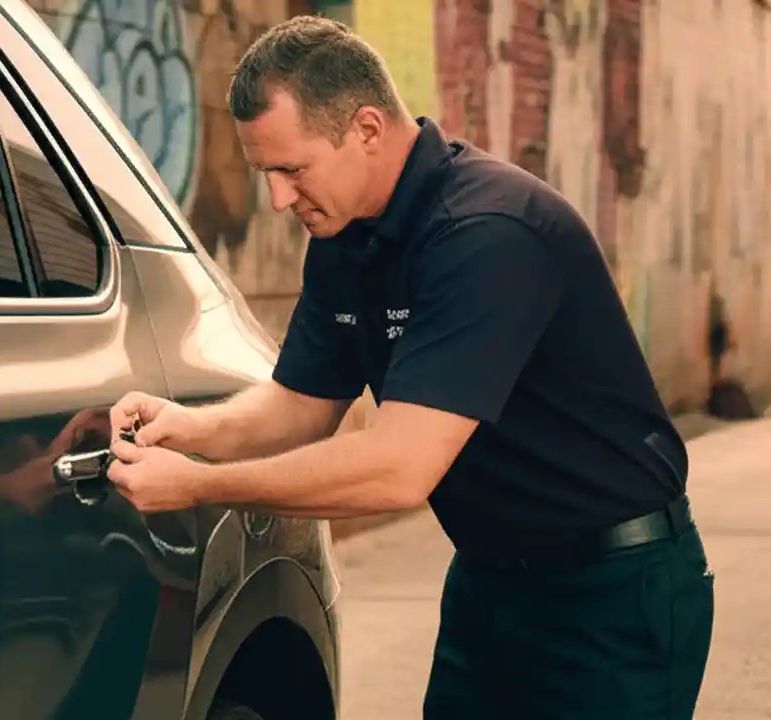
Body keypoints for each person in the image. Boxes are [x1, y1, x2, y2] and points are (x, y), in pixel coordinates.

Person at [104, 15, 714, 719]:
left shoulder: (486, 233)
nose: (277, 199)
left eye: (292, 169)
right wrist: (187, 430)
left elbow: (399, 469)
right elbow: (299, 407)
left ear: (366, 128)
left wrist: (198, 487)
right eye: (264, 173)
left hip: (612, 594)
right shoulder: (342, 237)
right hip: (489, 586)